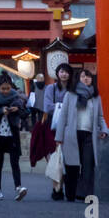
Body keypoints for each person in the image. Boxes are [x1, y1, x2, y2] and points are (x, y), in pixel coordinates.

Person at [55, 67, 107, 202]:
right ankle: (71, 194)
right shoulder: (70, 95)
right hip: (72, 134)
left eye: (88, 76)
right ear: (78, 79)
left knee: (88, 166)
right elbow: (63, 117)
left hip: (89, 134)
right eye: (83, 76)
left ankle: (86, 194)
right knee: (72, 166)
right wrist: (59, 137)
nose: (86, 78)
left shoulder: (96, 97)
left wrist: (104, 130)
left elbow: (100, 116)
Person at [0, 73, 28, 200]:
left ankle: (18, 187)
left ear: (11, 87)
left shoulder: (16, 97)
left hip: (12, 135)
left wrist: (17, 110)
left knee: (15, 162)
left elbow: (26, 113)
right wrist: (0, 111)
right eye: (3, 88)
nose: (5, 91)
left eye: (8, 88)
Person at [42, 63, 73, 200]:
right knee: (56, 158)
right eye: (62, 71)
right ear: (57, 73)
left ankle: (64, 187)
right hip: (53, 127)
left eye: (67, 72)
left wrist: (60, 107)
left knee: (67, 159)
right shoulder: (51, 88)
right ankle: (57, 188)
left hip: (69, 127)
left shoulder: (74, 89)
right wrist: (65, 107)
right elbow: (47, 107)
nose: (64, 74)